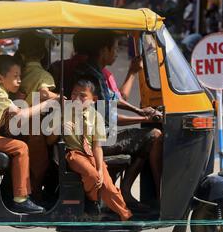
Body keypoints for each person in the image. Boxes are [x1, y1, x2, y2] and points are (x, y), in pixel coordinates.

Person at [72, 30, 163, 206]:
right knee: (154, 136)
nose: (116, 53)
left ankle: (126, 192)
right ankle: (141, 195)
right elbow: (110, 117)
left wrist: (140, 110)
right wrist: (144, 119)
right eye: (114, 49)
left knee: (148, 136)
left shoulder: (96, 71)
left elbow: (114, 99)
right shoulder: (91, 76)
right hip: (97, 140)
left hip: (99, 134)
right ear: (104, 50)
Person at [0, 55, 55, 214]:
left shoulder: (0, 91)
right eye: (15, 77)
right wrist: (46, 104)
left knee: (20, 140)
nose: (19, 81)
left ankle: (13, 192)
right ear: (0, 78)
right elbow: (20, 114)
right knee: (20, 148)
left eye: (20, 76)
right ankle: (20, 199)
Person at [63, 80, 133, 221]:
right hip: (74, 153)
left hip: (92, 155)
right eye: (74, 94)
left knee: (106, 184)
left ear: (93, 100)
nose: (77, 99)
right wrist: (60, 127)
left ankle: (126, 216)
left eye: (82, 96)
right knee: (92, 176)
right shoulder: (64, 112)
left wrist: (100, 168)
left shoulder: (96, 117)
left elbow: (97, 146)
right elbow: (50, 139)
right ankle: (91, 200)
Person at [16, 32, 60, 201]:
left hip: (19, 124)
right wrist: (58, 97)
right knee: (40, 165)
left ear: (22, 54)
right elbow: (43, 92)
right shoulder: (44, 75)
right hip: (35, 126)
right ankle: (34, 194)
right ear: (43, 54)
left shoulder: (19, 74)